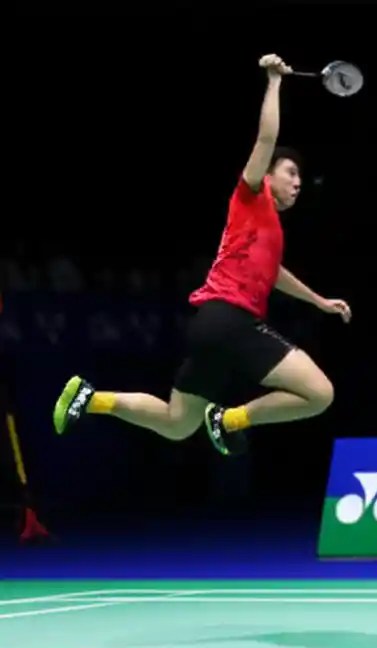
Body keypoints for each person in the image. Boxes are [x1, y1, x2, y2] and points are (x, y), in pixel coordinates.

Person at [51, 54, 351, 457]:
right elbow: (265, 139)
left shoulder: (267, 228)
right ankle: (228, 419)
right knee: (319, 393)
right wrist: (275, 81)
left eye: (300, 176)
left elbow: (273, 273)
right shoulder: (251, 194)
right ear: (268, 175)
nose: (298, 182)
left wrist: (319, 302)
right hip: (232, 318)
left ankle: (91, 398)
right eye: (290, 172)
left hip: (209, 324)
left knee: (177, 423)